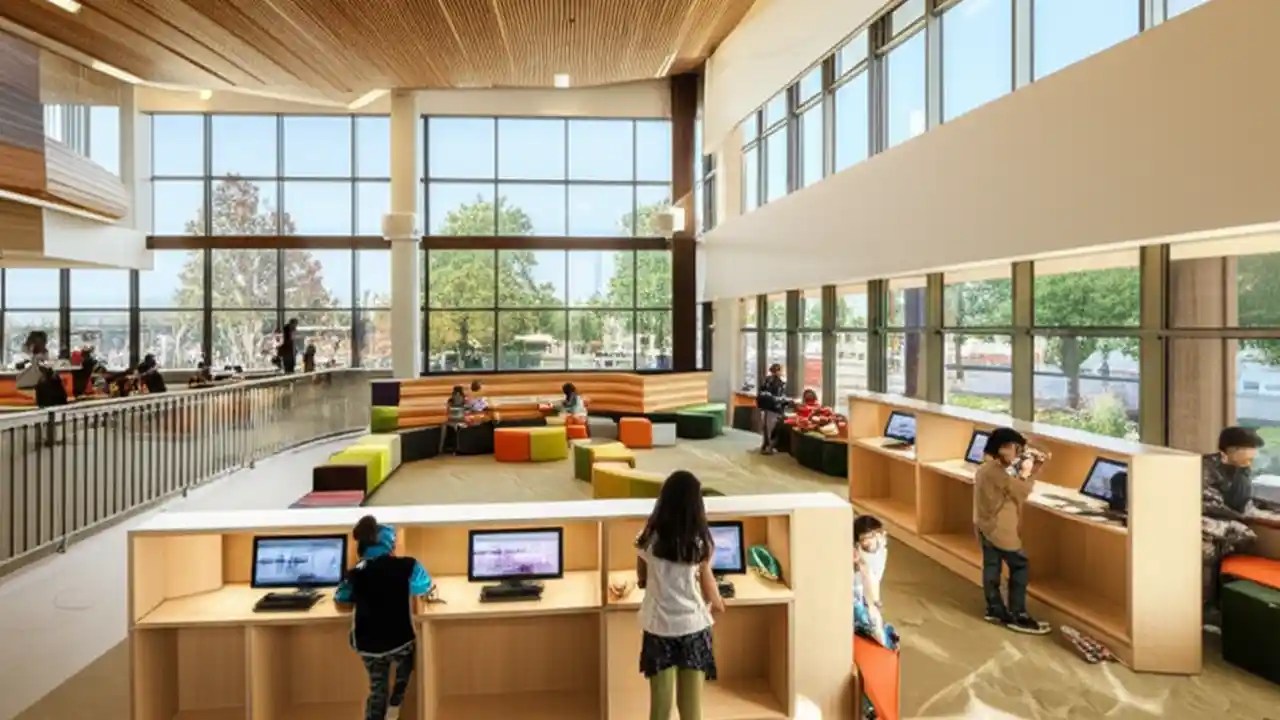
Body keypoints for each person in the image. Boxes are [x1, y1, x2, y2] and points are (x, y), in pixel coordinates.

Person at [636, 470, 724, 720]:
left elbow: (642, 578)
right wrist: (717, 601)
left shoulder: (648, 540)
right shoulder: (699, 544)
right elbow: (711, 592)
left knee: (660, 709)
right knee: (691, 710)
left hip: (659, 629)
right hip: (693, 628)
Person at [335, 516, 433, 720]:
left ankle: (376, 714)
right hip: (400, 640)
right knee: (405, 671)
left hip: (367, 643)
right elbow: (422, 586)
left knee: (377, 687)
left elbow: (342, 597)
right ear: (392, 544)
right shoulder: (408, 565)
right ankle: (397, 703)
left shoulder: (355, 573)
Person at [973, 427, 1051, 635]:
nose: (1018, 454)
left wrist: (1030, 465)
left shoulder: (987, 469)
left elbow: (1009, 486)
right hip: (999, 527)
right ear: (1003, 448)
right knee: (1020, 565)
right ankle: (1018, 614)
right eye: (1015, 449)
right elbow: (1021, 491)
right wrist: (1030, 472)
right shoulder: (996, 473)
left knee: (992, 566)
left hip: (984, 525)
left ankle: (995, 609)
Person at [1201, 426, 1267, 629]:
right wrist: (1240, 520)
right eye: (1247, 454)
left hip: (1221, 521)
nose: (1251, 462)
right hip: (1196, 518)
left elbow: (1245, 504)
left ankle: (1217, 604)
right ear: (1231, 451)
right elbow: (1210, 505)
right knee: (1217, 544)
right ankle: (1207, 607)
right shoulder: (1204, 469)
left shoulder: (1242, 471)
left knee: (1242, 538)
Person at [853, 515, 896, 649]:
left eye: (870, 535)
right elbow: (868, 579)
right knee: (873, 625)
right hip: (855, 593)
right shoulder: (860, 555)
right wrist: (874, 603)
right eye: (863, 539)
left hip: (867, 593)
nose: (868, 541)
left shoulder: (882, 545)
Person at [756, 364, 787, 454]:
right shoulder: (777, 382)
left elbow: (762, 392)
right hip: (773, 408)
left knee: (768, 428)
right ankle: (768, 445)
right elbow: (779, 396)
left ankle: (767, 445)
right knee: (770, 428)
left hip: (768, 408)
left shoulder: (769, 380)